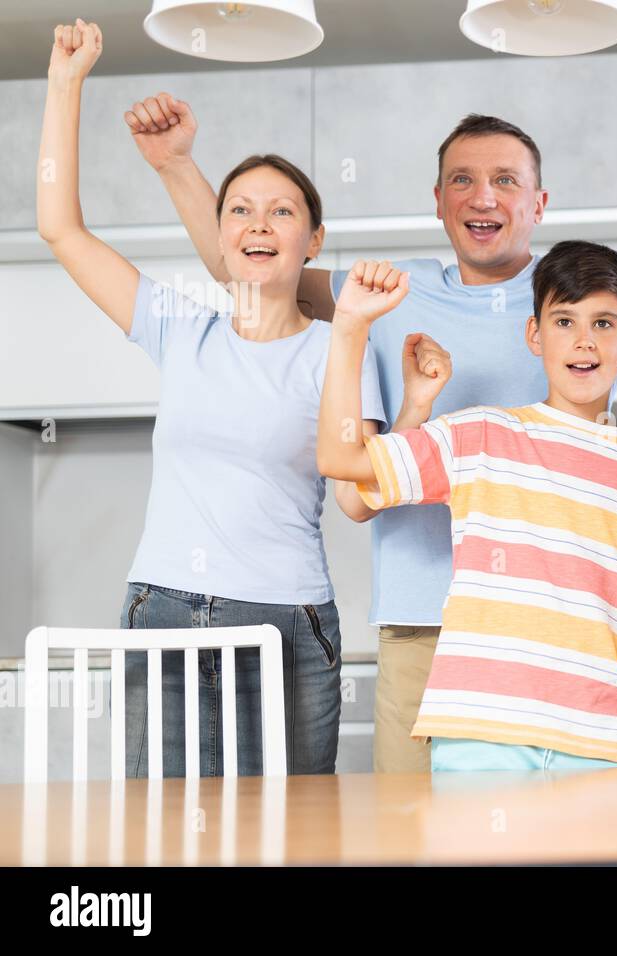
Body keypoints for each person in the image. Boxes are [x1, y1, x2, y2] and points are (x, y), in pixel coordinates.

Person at [126, 60, 617, 772]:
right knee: (415, 836)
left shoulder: (581, 287)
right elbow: (250, 270)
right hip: (424, 620)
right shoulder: (389, 290)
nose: (482, 195)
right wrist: (179, 166)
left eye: (506, 180)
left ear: (540, 201)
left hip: (558, 629)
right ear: (438, 200)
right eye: (462, 179)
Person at [316, 242, 617, 769]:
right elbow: (340, 456)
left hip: (600, 747)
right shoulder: (480, 435)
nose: (583, 341)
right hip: (483, 738)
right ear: (534, 334)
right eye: (563, 321)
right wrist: (349, 325)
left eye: (603, 323)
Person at [38, 20, 385, 775]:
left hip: (285, 622)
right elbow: (60, 229)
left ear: (314, 241)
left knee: (293, 841)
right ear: (221, 238)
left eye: (282, 212)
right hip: (160, 610)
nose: (259, 224)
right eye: (240, 210)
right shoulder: (178, 329)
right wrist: (65, 85)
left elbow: (361, 499)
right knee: (159, 841)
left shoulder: (341, 346)